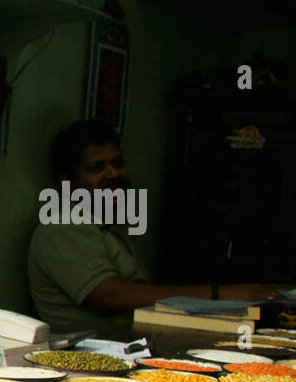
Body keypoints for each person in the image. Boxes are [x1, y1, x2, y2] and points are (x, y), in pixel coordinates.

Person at [27, 119, 276, 331]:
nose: (113, 174)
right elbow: (110, 296)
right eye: (96, 168)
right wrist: (217, 295)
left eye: (117, 163)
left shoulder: (108, 221)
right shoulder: (63, 227)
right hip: (91, 358)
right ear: (67, 180)